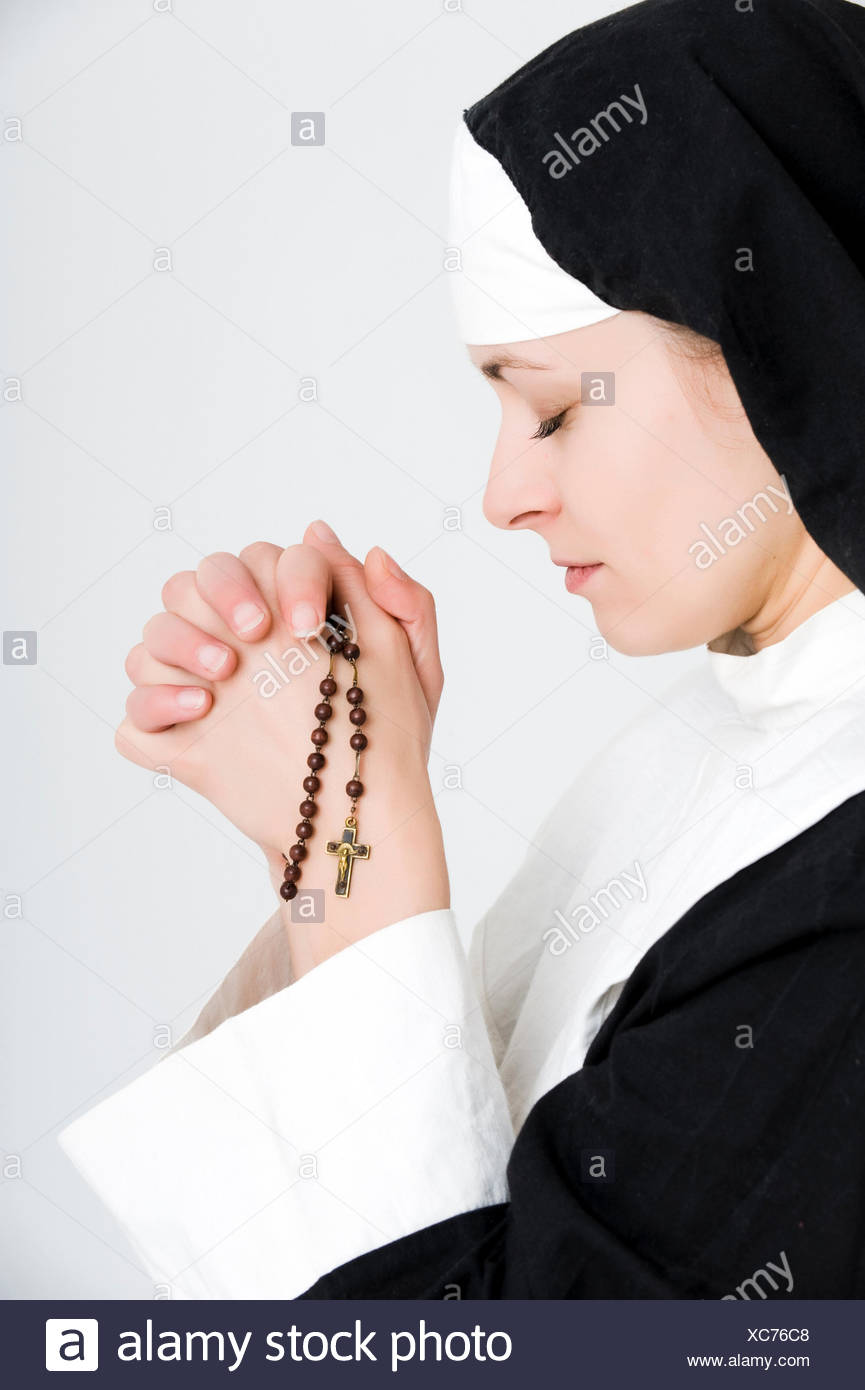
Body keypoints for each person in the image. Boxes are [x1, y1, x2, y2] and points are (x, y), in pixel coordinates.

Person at [58, 0, 865, 1298]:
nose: (502, 494)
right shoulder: (703, 744)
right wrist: (316, 850)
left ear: (779, 340)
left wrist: (351, 832)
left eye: (550, 409)